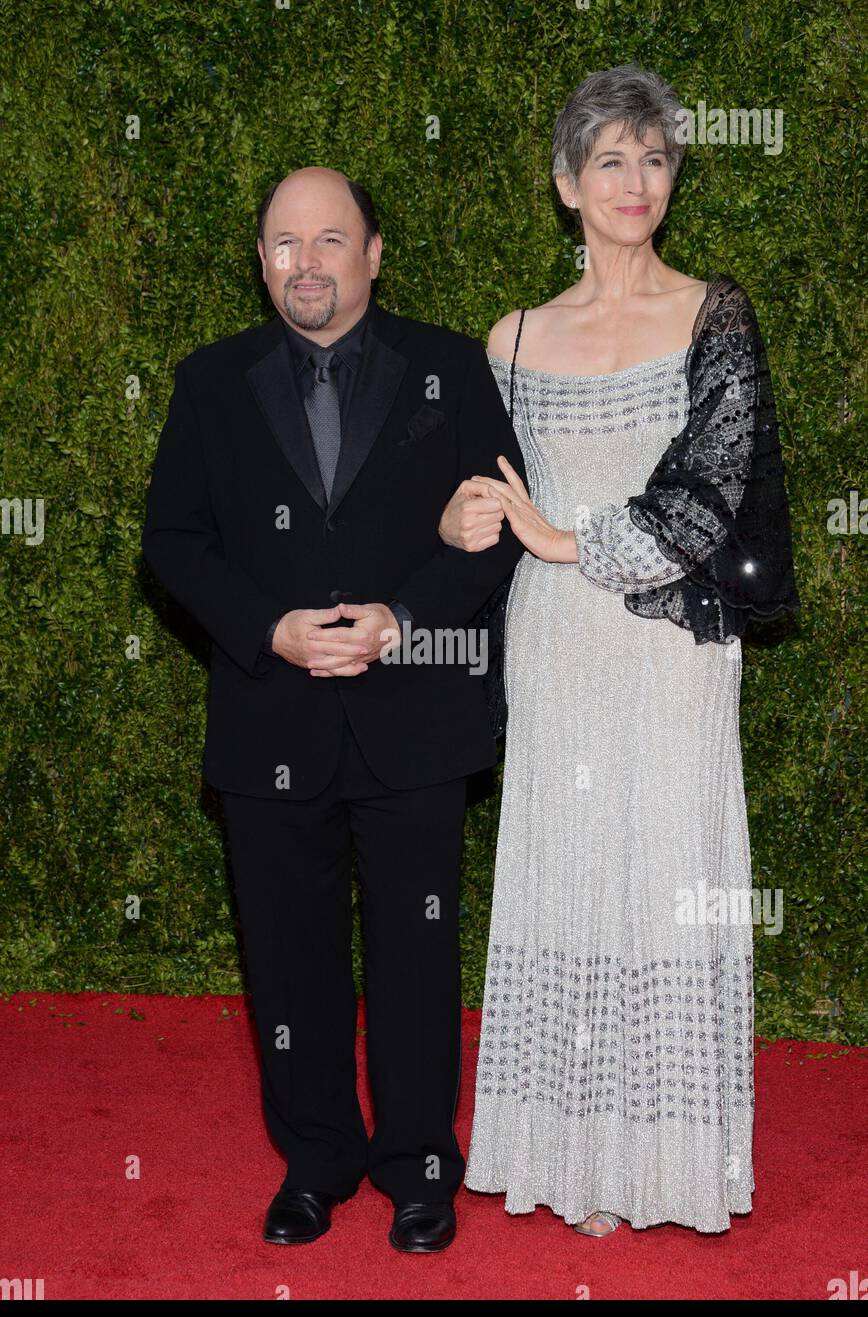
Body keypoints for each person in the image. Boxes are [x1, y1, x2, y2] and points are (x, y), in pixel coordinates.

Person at [437, 64, 798, 1234]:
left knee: (663, 876)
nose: (634, 181)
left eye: (654, 159)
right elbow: (468, 499)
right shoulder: (512, 338)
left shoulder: (714, 314)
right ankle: (569, 1154)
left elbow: (708, 498)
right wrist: (463, 521)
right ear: (564, 184)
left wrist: (565, 535)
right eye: (609, 159)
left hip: (664, 651)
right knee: (564, 868)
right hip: (552, 649)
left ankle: (671, 1166)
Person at [141, 166, 527, 1252]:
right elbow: (171, 540)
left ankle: (417, 1171)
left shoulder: (449, 369)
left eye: (328, 239)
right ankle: (315, 1160)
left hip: (415, 721)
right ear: (261, 259)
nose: (304, 262)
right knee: (287, 954)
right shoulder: (210, 381)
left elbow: (499, 525)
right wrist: (268, 627)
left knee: (415, 957)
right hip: (269, 718)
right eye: (282, 243)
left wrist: (404, 615)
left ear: (372, 252)